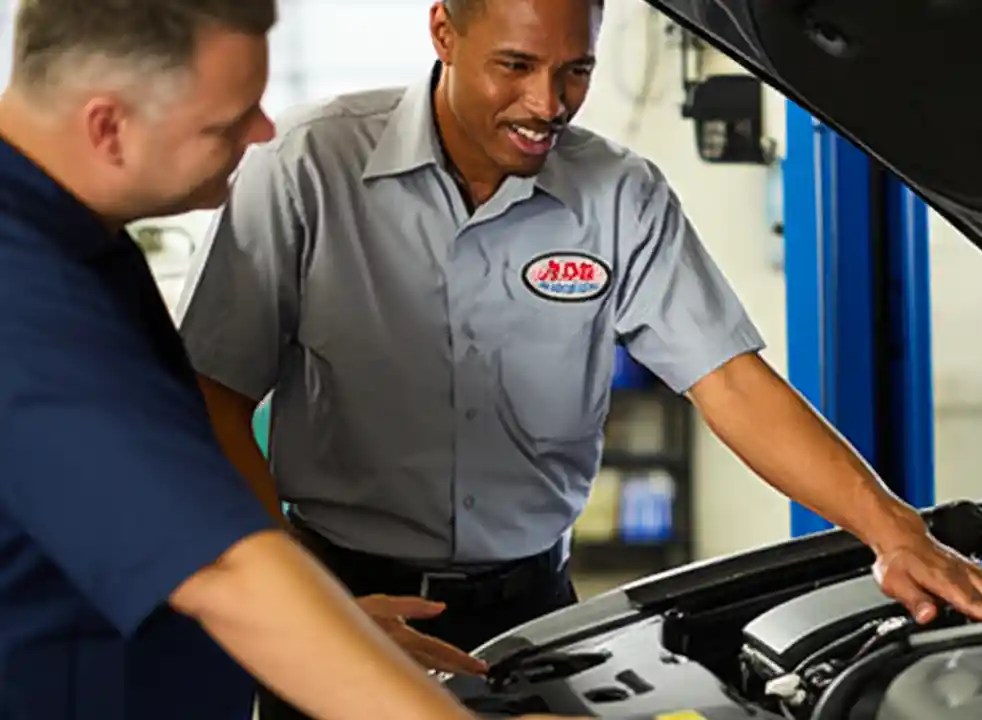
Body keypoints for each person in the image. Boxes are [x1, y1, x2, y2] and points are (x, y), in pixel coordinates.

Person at [177, 0, 982, 715]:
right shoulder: (305, 165)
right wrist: (306, 601)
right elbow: (212, 398)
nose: (549, 104)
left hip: (533, 606)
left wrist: (900, 535)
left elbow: (732, 382)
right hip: (342, 591)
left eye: (575, 70)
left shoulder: (620, 194)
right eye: (514, 66)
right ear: (444, 32)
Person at [0, 1, 578, 718]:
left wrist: (335, 630)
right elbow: (221, 571)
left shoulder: (76, 240)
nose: (264, 131)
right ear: (107, 126)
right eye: (229, 119)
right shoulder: (25, 296)